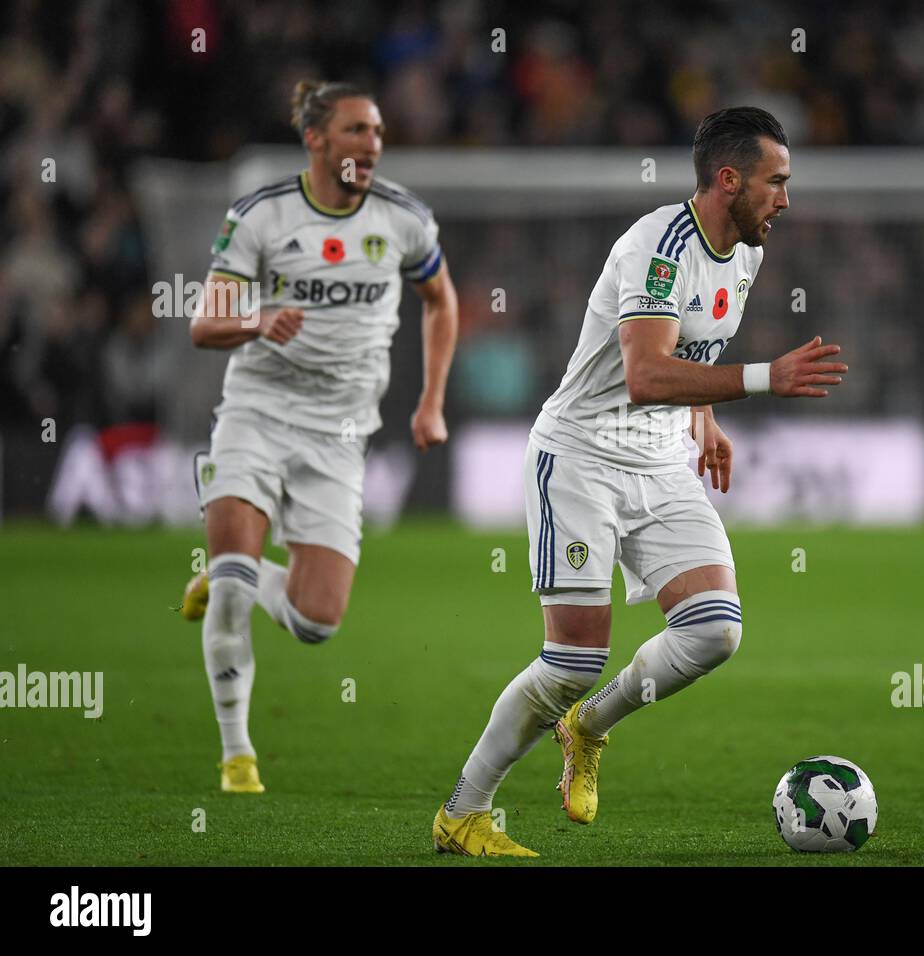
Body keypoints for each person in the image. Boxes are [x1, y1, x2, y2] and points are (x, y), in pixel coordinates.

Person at [433, 106, 847, 856]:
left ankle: (588, 728)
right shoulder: (656, 247)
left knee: (715, 630)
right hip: (582, 457)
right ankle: (464, 810)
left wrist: (708, 417)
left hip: (659, 460)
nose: (785, 199)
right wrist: (763, 378)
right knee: (573, 661)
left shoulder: (746, 253)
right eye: (775, 182)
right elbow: (646, 370)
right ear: (729, 180)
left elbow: (693, 349)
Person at [180, 80, 459, 794]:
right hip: (257, 413)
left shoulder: (404, 219)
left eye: (378, 133)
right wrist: (257, 322)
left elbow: (441, 300)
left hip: (341, 432)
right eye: (357, 131)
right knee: (240, 586)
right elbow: (205, 326)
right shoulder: (260, 214)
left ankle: (224, 575)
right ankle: (236, 753)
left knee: (315, 623)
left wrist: (430, 402)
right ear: (316, 140)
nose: (372, 146)